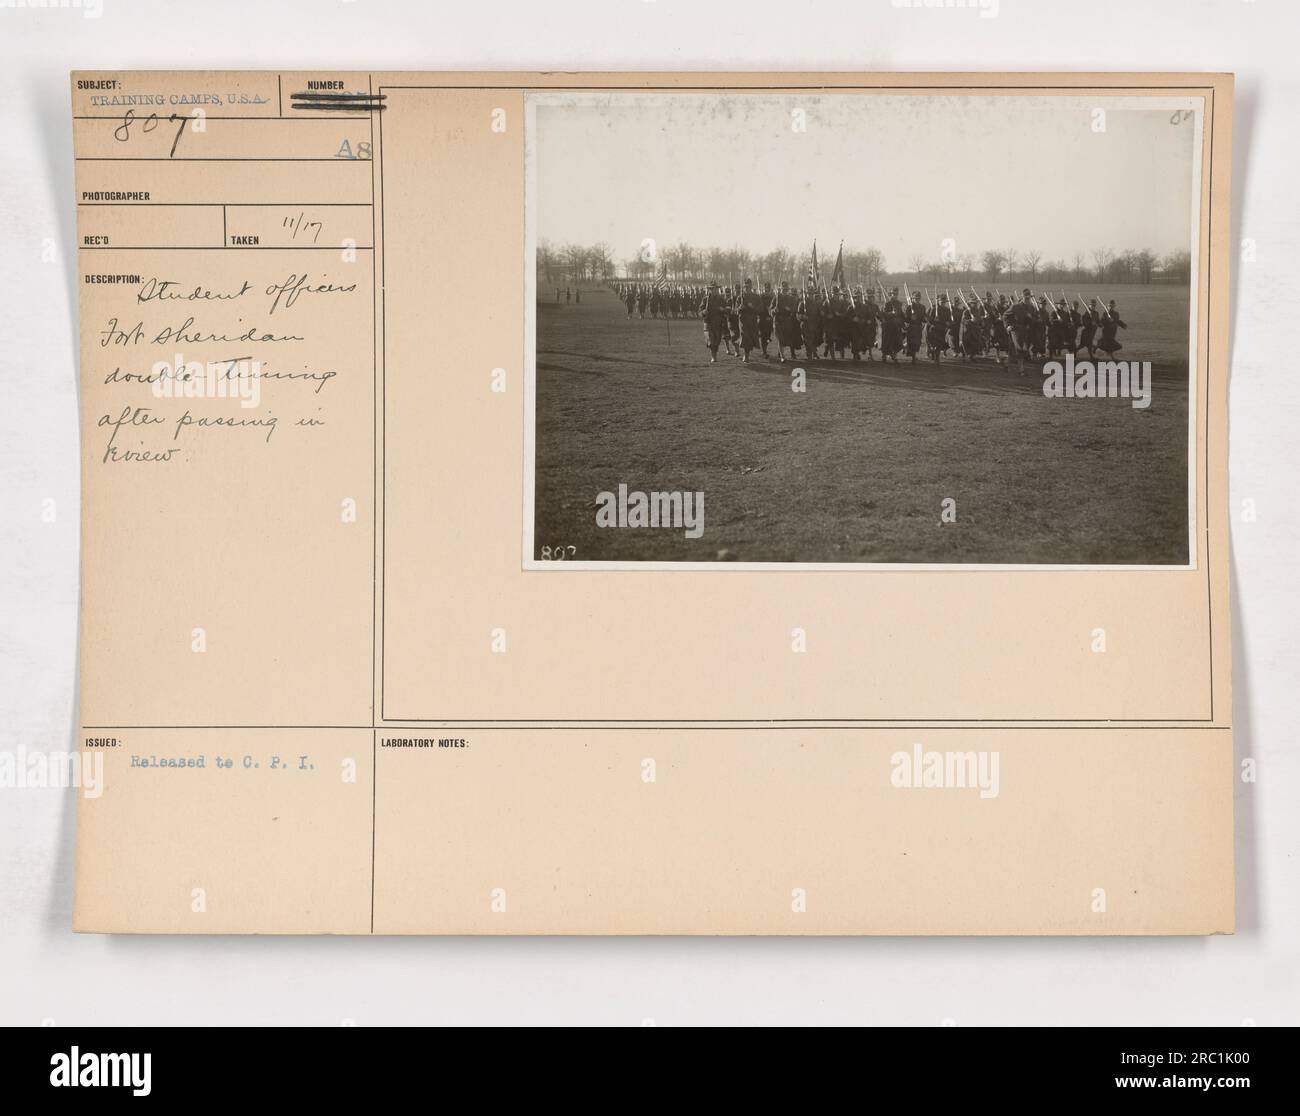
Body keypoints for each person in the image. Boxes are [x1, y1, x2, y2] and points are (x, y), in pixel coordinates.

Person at [700, 282, 729, 365]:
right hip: (708, 322)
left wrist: (722, 309)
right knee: (710, 340)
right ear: (710, 290)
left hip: (718, 323)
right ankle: (713, 357)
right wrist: (703, 312)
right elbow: (700, 311)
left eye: (715, 289)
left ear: (717, 289)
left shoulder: (721, 299)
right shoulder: (705, 299)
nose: (714, 290)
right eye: (712, 289)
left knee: (717, 341)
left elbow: (727, 309)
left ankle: (715, 354)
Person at [771, 281, 800, 362]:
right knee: (780, 339)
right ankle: (782, 357)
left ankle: (780, 353)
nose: (785, 291)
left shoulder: (791, 299)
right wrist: (774, 310)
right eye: (783, 289)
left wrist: (789, 309)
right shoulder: (776, 297)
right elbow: (770, 309)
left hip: (787, 322)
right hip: (777, 321)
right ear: (781, 289)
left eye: (786, 289)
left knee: (785, 340)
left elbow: (795, 309)